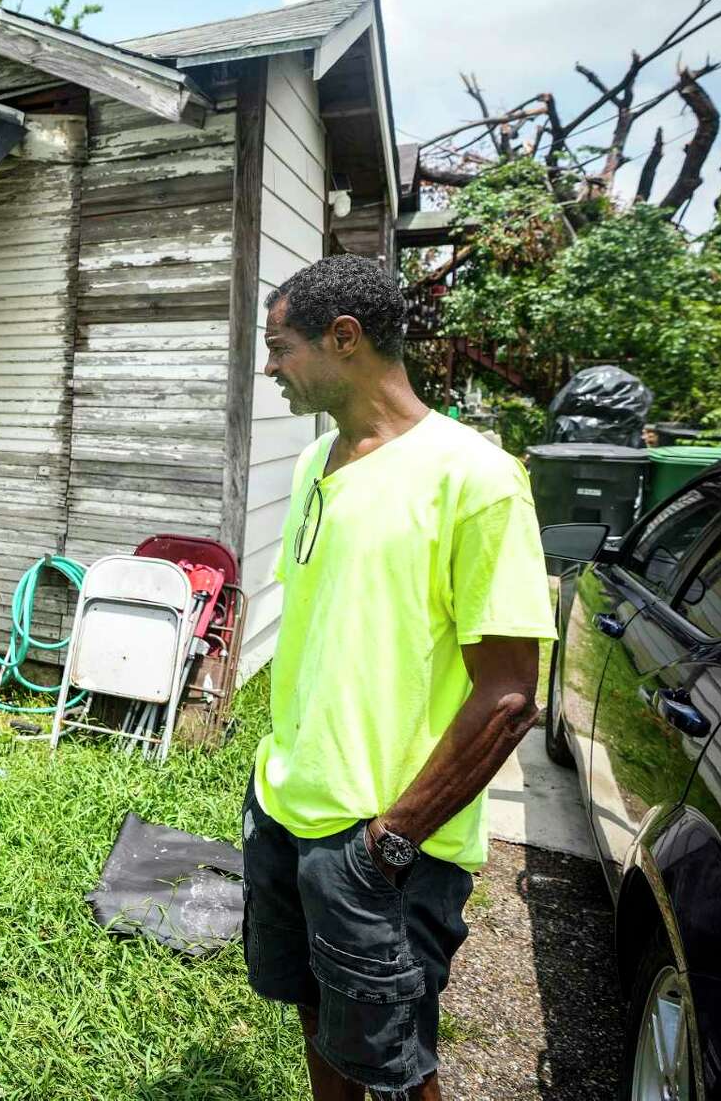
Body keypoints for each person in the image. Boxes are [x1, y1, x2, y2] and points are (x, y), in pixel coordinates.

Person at [242, 255, 554, 1100]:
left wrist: (392, 840)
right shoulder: (317, 467)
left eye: (280, 347)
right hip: (288, 807)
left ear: (344, 339)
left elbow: (508, 699)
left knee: (393, 1066)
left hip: (383, 843)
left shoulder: (475, 478)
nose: (270, 368)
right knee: (316, 1015)